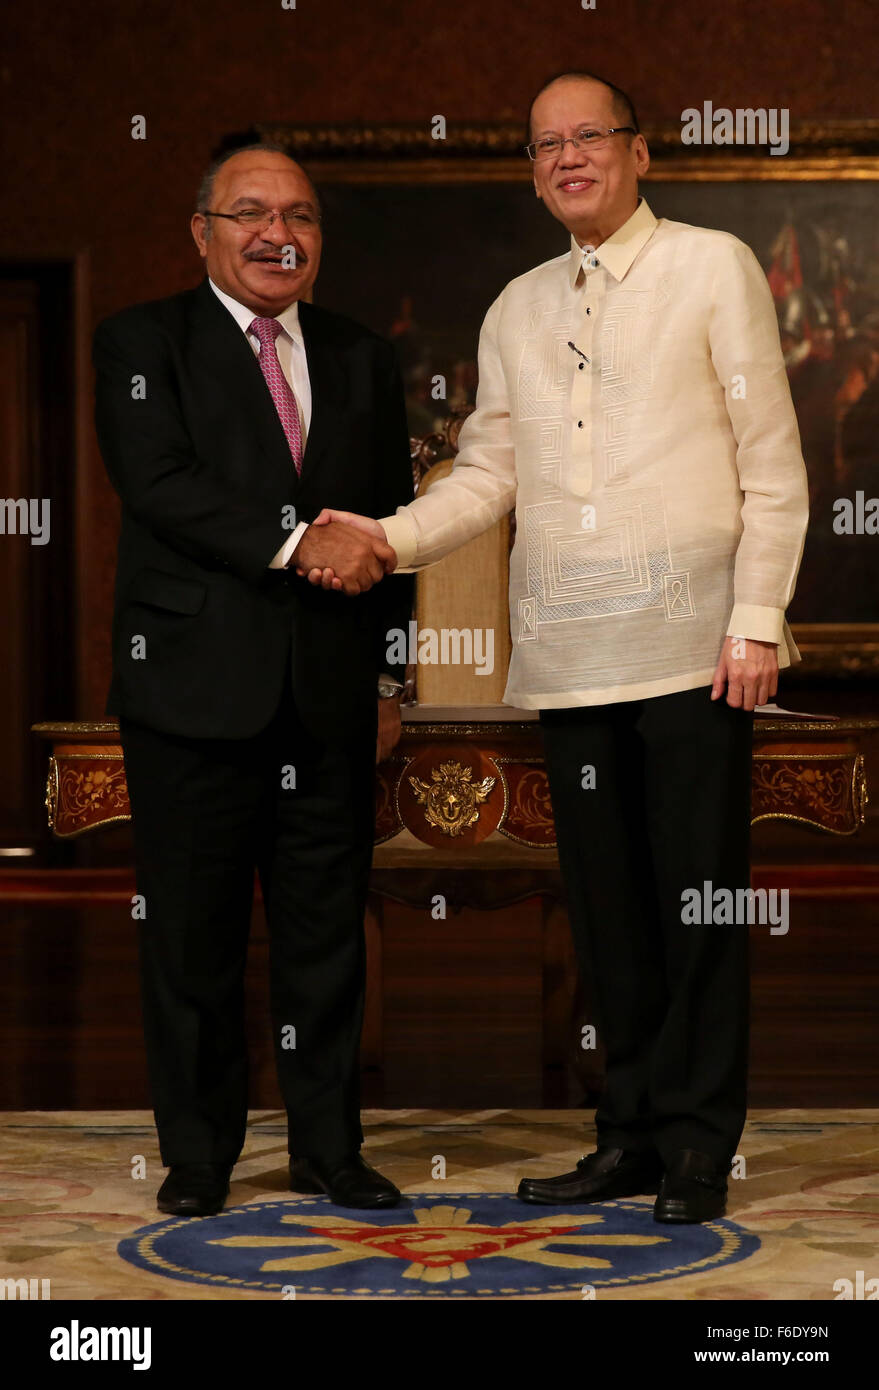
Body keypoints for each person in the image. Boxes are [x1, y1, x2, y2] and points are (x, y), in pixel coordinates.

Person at [304, 73, 810, 1224]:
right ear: (532, 171)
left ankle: (696, 1149)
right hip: (573, 661)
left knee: (698, 910)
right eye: (546, 144)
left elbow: (773, 464)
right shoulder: (516, 306)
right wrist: (385, 536)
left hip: (696, 650)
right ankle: (626, 1134)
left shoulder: (713, 266)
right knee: (609, 916)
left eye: (590, 136)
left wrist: (755, 620)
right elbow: (489, 475)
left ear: (640, 155)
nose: (568, 156)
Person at [93, 144, 414, 1216]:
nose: (280, 234)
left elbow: (385, 540)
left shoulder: (365, 356)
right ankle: (199, 1156)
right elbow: (160, 485)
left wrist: (390, 680)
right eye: (251, 213)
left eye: (302, 216)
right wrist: (295, 542)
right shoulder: (141, 342)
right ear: (203, 231)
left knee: (328, 937)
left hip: (327, 697)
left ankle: (330, 1147)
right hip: (191, 692)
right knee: (193, 940)